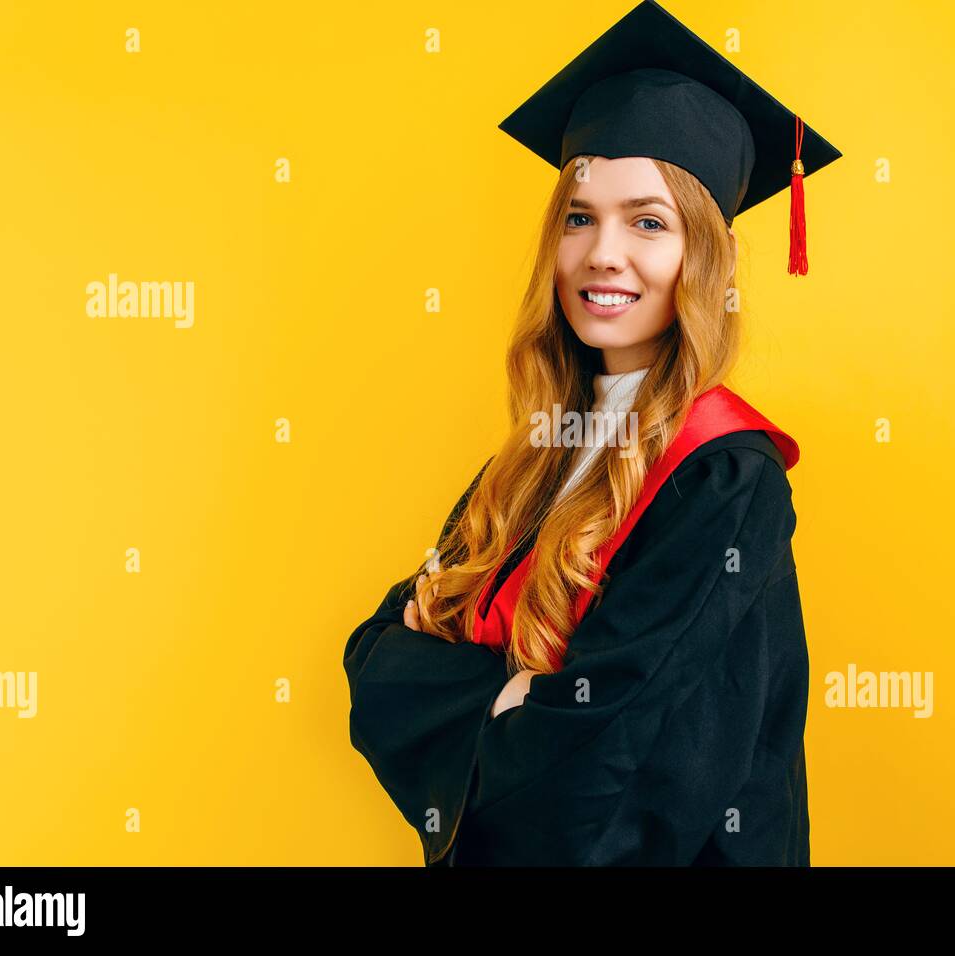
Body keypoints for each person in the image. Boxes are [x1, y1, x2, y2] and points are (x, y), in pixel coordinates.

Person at [342, 0, 841, 866]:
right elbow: (371, 667)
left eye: (648, 222)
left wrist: (469, 691)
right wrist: (511, 697)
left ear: (703, 258)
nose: (603, 253)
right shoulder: (534, 458)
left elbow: (595, 772)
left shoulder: (724, 477)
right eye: (580, 217)